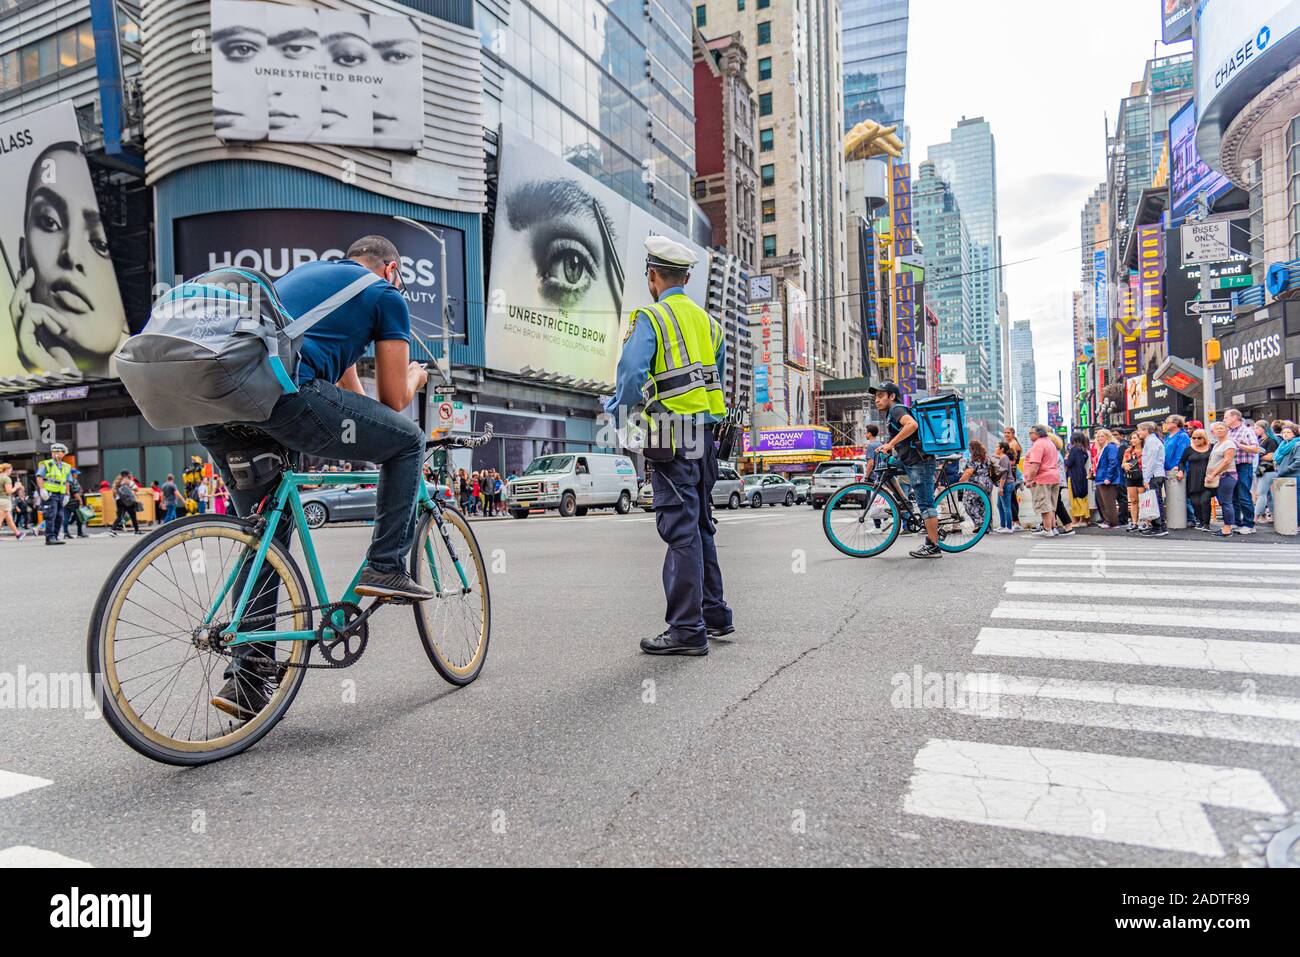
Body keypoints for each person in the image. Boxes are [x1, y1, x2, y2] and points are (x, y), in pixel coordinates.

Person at [193, 234, 433, 720]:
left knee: (265, 537)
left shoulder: (307, 282)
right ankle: (385, 564)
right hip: (282, 399)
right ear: (391, 270)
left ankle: (249, 676)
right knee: (408, 441)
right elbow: (391, 400)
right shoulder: (385, 295)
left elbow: (353, 390)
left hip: (217, 405)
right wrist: (415, 377)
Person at [603, 236, 733, 653]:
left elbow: (629, 378)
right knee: (700, 527)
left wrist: (619, 412)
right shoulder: (711, 325)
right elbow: (716, 379)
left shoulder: (651, 318)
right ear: (689, 277)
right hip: (706, 441)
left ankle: (686, 631)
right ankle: (714, 614)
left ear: (653, 276)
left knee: (680, 532)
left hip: (671, 439)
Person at [869, 383, 942, 558]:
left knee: (925, 504)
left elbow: (912, 425)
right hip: (906, 460)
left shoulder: (896, 409)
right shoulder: (891, 413)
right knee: (882, 468)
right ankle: (904, 501)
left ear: (892, 396)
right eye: (875, 397)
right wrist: (886, 448)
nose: (876, 400)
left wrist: (890, 444)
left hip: (919, 462)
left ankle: (934, 546)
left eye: (880, 396)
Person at [1223, 408, 1260, 535]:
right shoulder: (1229, 432)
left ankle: (1249, 524)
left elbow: (1256, 449)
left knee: (1244, 495)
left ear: (1234, 417)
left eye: (1226, 417)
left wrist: (1239, 445)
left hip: (1244, 466)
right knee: (1233, 495)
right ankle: (1236, 522)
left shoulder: (1246, 430)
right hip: (1232, 466)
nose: (1224, 420)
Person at [1024, 425, 1062, 537]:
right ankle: (1053, 527)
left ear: (1038, 434)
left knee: (1044, 505)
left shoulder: (1038, 445)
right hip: (1054, 476)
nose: (1029, 434)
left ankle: (1047, 529)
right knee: (1051, 505)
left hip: (1042, 478)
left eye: (1031, 432)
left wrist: (1029, 479)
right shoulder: (1050, 443)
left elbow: (1035, 464)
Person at [1176, 428, 1214, 530]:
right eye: (1194, 438)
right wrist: (1181, 470)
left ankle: (1206, 524)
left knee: (1205, 500)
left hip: (1207, 479)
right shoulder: (1188, 449)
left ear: (1204, 438)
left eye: (1199, 438)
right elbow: (1181, 462)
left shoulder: (1211, 448)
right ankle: (1200, 521)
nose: (1196, 440)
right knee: (1195, 502)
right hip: (1193, 480)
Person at [34, 442, 72, 546]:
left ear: (63, 453)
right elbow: (39, 477)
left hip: (61, 494)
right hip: (49, 494)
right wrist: (42, 490)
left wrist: (67, 495)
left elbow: (67, 481)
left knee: (60, 516)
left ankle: (55, 536)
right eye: (53, 452)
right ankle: (49, 537)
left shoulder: (67, 466)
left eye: (58, 452)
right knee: (51, 515)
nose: (55, 454)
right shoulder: (46, 464)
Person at [1206, 421, 1240, 537]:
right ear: (1213, 432)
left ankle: (1227, 529)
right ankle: (1226, 526)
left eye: (1222, 428)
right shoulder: (1217, 444)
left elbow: (1227, 461)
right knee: (1222, 501)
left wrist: (1214, 473)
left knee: (1226, 502)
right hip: (1218, 477)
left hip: (1227, 475)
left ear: (1227, 430)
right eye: (1217, 428)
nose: (1219, 430)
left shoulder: (1229, 443)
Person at [1138, 421, 1168, 537]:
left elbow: (1151, 461)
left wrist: (1146, 478)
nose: (1139, 432)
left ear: (1146, 430)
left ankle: (1159, 526)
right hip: (1156, 474)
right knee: (1156, 500)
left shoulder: (1151, 442)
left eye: (1140, 430)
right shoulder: (1153, 440)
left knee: (1155, 501)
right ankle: (1158, 525)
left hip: (1154, 475)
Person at [958, 439, 994, 532]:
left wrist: (960, 482)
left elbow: (969, 472)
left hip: (976, 483)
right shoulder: (987, 458)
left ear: (972, 448)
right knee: (984, 504)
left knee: (967, 502)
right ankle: (987, 526)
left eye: (969, 448)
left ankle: (980, 524)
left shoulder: (972, 459)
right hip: (987, 483)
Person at [1092, 429, 1121, 529]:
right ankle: (1106, 520)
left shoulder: (1110, 447)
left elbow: (1113, 462)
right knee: (1102, 501)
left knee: (1108, 502)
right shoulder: (1103, 448)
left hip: (1107, 478)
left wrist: (1108, 477)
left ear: (1108, 437)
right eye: (1098, 436)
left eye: (1102, 436)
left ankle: (1112, 522)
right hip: (1100, 477)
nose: (1100, 438)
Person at [1254, 420, 1279, 525]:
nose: (1255, 430)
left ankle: (1255, 517)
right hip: (1262, 468)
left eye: (1257, 428)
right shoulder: (1261, 440)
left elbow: (1271, 456)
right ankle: (1273, 514)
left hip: (1268, 469)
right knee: (1267, 495)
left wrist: (1257, 455)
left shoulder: (1270, 441)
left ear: (1264, 429)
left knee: (1261, 494)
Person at [1066, 432, 1091, 526]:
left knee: (1075, 497)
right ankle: (1084, 519)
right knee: (1083, 497)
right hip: (1082, 475)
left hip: (1074, 476)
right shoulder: (1084, 450)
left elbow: (1069, 463)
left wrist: (1066, 459)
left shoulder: (1074, 450)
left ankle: (1079, 519)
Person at [1122, 431, 1145, 530]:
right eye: (1131, 438)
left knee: (1143, 500)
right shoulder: (1128, 451)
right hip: (1131, 476)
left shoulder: (1145, 450)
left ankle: (1143, 521)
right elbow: (1122, 464)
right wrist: (1125, 465)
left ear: (1140, 439)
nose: (1132, 440)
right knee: (1133, 500)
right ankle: (1134, 522)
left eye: (1135, 438)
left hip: (1142, 476)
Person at [992, 441, 1016, 533]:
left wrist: (1001, 488)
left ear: (1001, 449)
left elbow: (1004, 475)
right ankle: (1002, 525)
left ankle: (1009, 527)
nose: (995, 448)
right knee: (999, 505)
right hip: (1003, 484)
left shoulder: (1004, 458)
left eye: (997, 447)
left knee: (1006, 507)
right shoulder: (1003, 457)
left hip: (1006, 484)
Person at [1003, 427, 1024, 530]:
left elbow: (1009, 459)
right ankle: (1015, 521)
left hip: (1013, 472)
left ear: (1013, 434)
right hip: (1014, 472)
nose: (1006, 434)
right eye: (1005, 433)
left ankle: (1016, 522)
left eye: (1008, 433)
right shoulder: (1011, 443)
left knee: (1011, 499)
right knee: (1012, 498)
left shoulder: (1012, 444)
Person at [110, 471, 140, 535]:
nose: (131, 474)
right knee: (133, 515)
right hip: (127, 500)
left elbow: (114, 492)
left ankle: (113, 529)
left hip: (119, 500)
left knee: (120, 516)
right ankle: (136, 530)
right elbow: (136, 489)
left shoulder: (117, 481)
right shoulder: (128, 481)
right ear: (127, 475)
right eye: (130, 474)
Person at [0, 463, 25, 540]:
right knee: (0, 519)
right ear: (7, 469)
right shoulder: (6, 479)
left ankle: (18, 534)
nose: (11, 471)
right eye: (11, 469)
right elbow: (9, 491)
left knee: (9, 519)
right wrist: (16, 487)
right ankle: (18, 534)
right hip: (4, 500)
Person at [62, 467, 88, 539]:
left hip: (66, 501)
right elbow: (75, 492)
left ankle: (66, 533)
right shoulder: (73, 481)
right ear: (73, 474)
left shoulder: (65, 480)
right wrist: (80, 500)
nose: (77, 475)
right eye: (76, 473)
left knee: (66, 518)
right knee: (79, 518)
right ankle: (80, 533)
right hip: (74, 502)